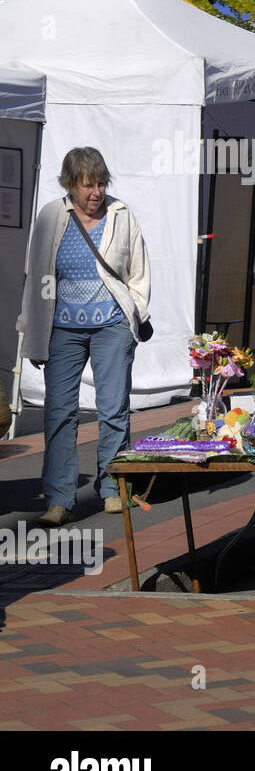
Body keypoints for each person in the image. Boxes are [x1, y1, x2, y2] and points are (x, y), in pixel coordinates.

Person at [17, 147, 150, 525]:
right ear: (70, 185)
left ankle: (112, 488)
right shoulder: (52, 216)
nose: (96, 192)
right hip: (63, 330)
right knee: (59, 413)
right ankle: (59, 498)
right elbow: (37, 276)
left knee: (112, 410)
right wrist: (36, 333)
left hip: (111, 326)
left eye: (101, 183)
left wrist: (133, 316)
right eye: (87, 185)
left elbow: (139, 273)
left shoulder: (121, 216)